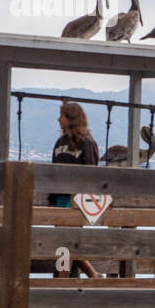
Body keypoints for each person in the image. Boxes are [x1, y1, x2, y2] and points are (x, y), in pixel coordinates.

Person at [50, 102, 101, 278]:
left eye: (61, 115)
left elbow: (92, 175)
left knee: (65, 243)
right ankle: (91, 276)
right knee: (66, 243)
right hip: (59, 200)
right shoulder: (59, 143)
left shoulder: (88, 143)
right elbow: (52, 173)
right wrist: (52, 201)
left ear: (71, 118)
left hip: (77, 201)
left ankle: (61, 280)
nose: (58, 119)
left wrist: (84, 202)